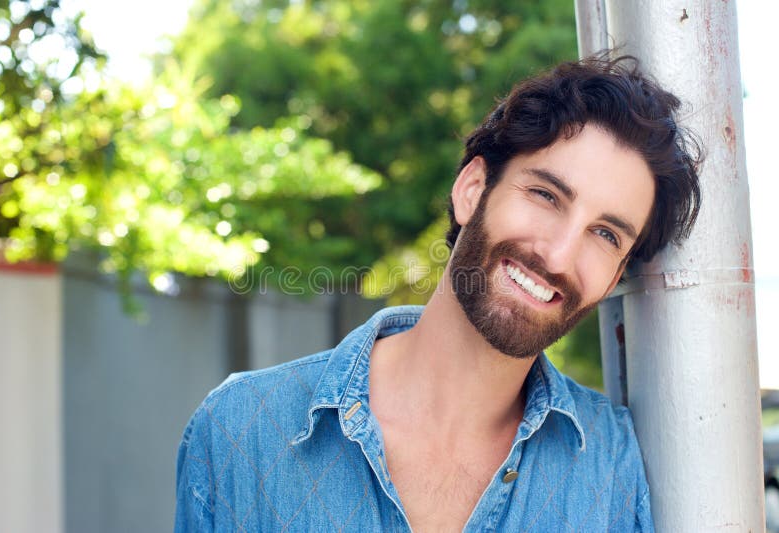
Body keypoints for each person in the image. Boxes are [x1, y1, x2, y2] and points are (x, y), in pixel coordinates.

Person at [174, 54, 701, 532]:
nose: (560, 256)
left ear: (615, 277)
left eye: (606, 235)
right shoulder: (241, 430)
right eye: (545, 194)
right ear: (473, 190)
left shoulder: (613, 466)